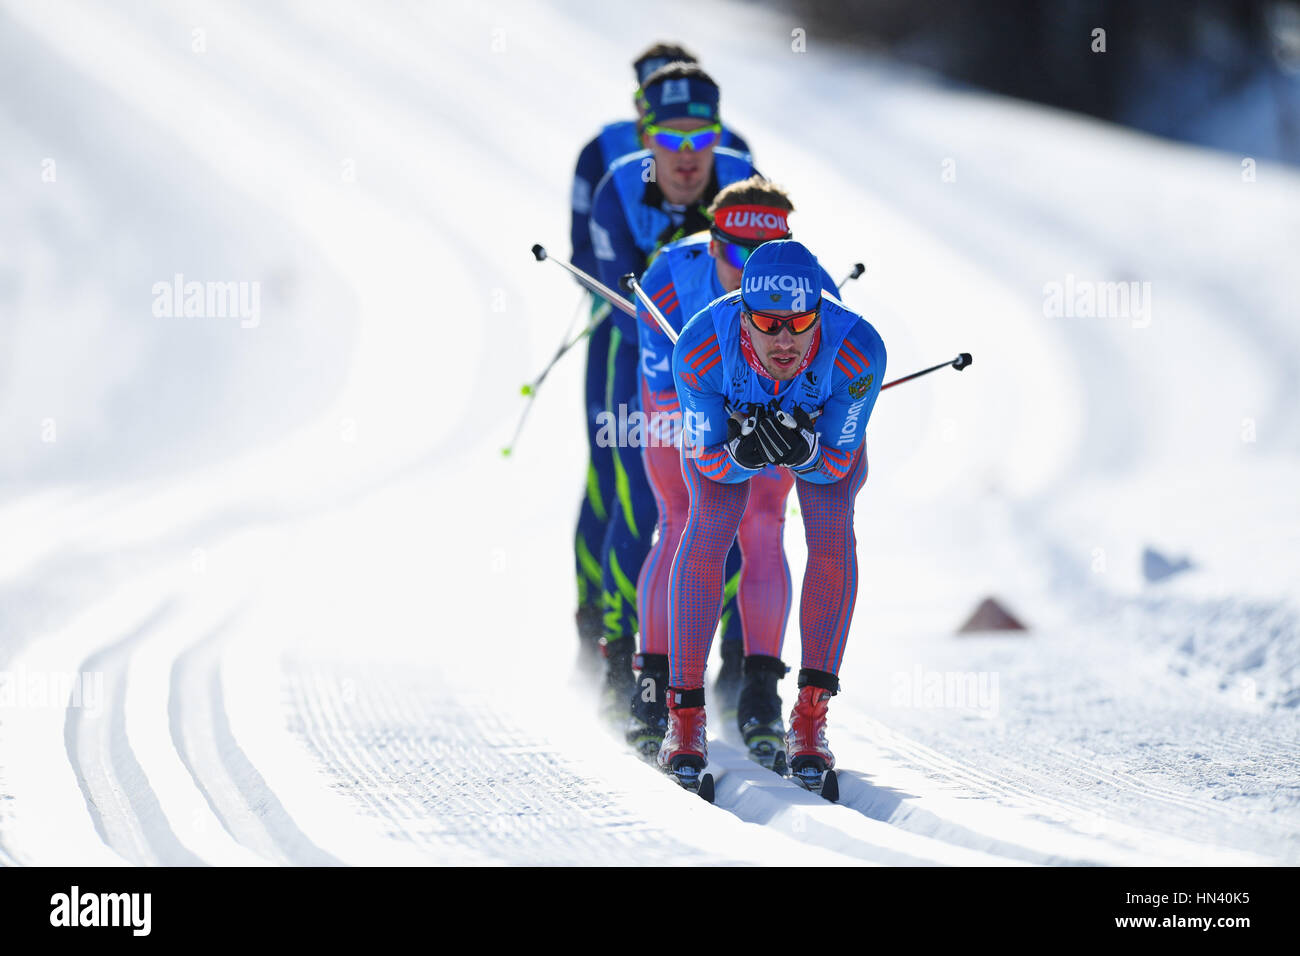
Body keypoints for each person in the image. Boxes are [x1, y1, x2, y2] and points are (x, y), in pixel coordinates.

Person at [624, 177, 841, 770]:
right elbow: (667, 395)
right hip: (687, 402)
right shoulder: (669, 273)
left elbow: (829, 387)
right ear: (713, 244)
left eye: (767, 255)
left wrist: (790, 428)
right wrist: (729, 429)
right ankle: (655, 690)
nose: (757, 273)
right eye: (741, 255)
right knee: (681, 520)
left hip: (767, 413)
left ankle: (761, 693)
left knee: (766, 525)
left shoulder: (809, 282)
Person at [659, 240, 887, 790]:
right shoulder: (699, 349)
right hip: (732, 428)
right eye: (768, 323)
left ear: (818, 312)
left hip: (820, 433)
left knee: (833, 533)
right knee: (710, 524)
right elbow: (708, 460)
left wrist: (805, 450)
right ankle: (685, 721)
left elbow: (834, 463)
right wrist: (741, 452)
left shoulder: (858, 348)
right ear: (743, 316)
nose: (784, 339)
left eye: (799, 321)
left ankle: (810, 720)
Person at [587, 62, 759, 719]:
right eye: (670, 136)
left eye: (701, 135)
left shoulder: (742, 180)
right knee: (644, 508)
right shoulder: (620, 188)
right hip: (645, 363)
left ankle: (741, 672)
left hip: (733, 371)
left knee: (744, 517)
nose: (687, 156)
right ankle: (621, 661)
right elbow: (630, 310)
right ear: (646, 132)